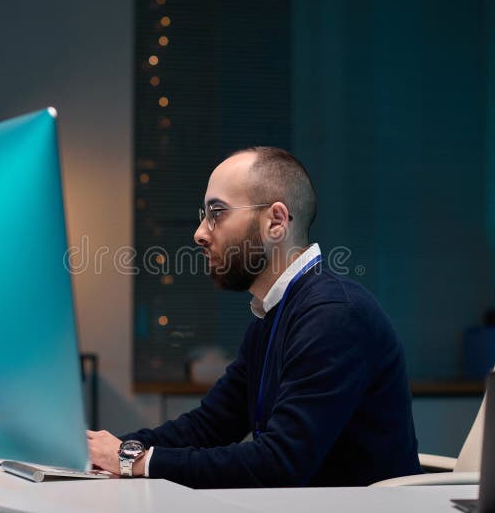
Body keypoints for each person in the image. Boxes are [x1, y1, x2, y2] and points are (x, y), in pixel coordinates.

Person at [88, 146, 422, 488]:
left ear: (276, 222)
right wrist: (104, 452)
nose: (200, 233)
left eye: (217, 212)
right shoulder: (274, 315)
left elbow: (279, 463)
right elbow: (210, 426)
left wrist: (134, 461)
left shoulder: (334, 315)